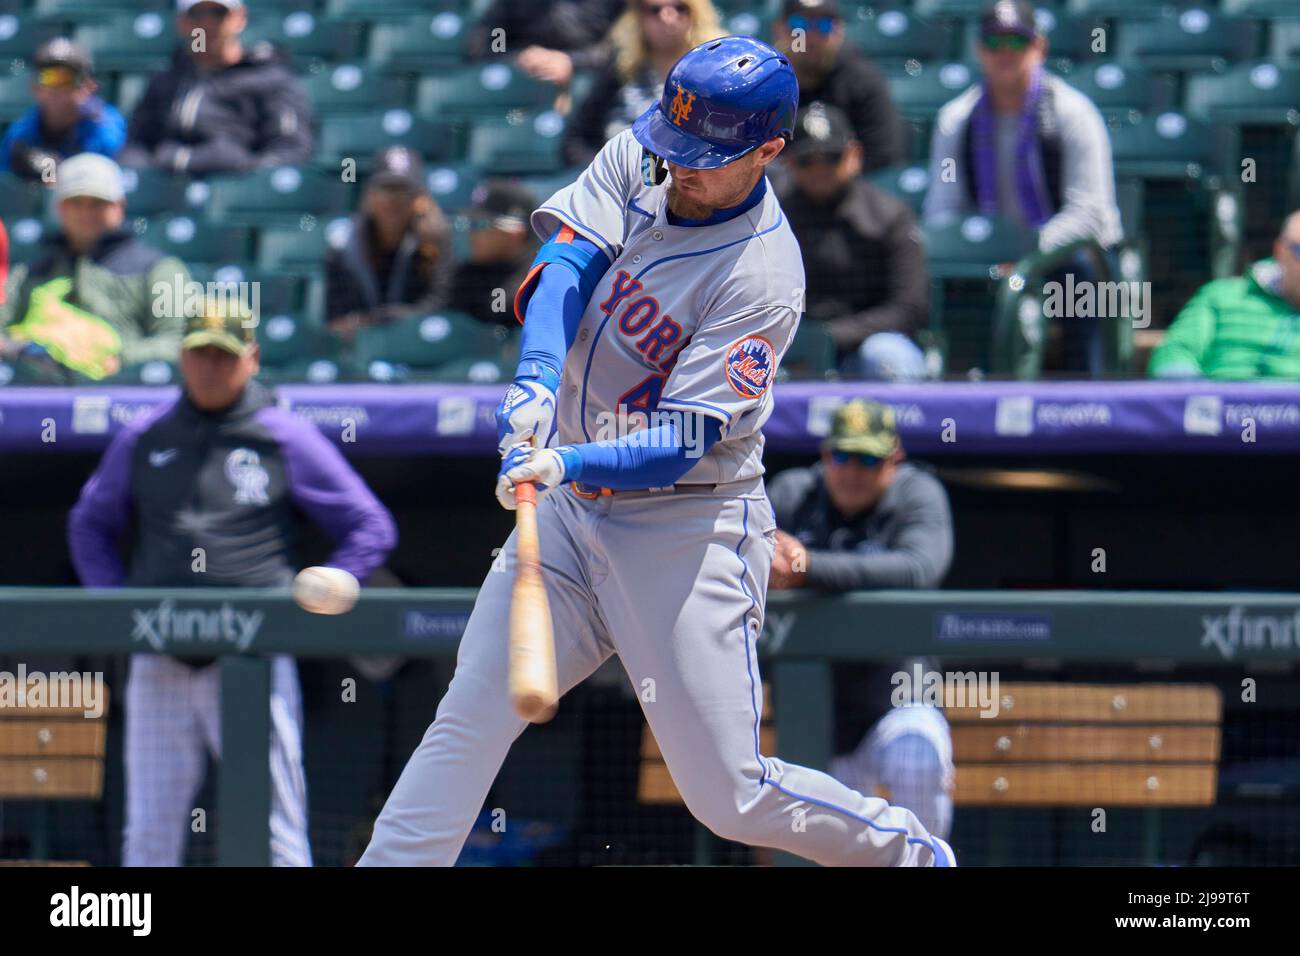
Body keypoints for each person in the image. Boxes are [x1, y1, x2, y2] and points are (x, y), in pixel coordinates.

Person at [359, 36, 955, 868]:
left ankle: (915, 858)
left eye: (706, 157)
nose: (680, 167)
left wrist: (565, 461)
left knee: (731, 797)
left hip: (687, 530)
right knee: (470, 715)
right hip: (569, 515)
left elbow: (681, 442)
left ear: (770, 152)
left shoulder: (763, 274)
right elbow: (566, 262)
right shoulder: (644, 151)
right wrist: (535, 381)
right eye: (675, 145)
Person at [67, 298, 398, 867]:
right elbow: (90, 523)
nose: (210, 368)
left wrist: (335, 580)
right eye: (199, 355)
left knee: (278, 831)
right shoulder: (147, 434)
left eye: (223, 357)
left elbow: (369, 524)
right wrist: (113, 604)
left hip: (253, 652)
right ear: (181, 357)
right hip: (160, 652)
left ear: (251, 359)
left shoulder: (282, 433)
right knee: (149, 834)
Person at [766, 400, 954, 838]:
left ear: (894, 460)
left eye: (869, 459)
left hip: (895, 702)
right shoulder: (794, 493)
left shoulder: (916, 493)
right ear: (825, 454)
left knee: (917, 754)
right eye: (843, 456)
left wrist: (808, 568)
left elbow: (918, 569)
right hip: (811, 716)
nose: (853, 471)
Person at [921, 0, 1123, 373]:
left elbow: (1090, 215)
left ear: (1039, 47)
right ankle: (963, 390)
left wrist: (1026, 256)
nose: (1004, 54)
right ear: (979, 49)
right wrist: (980, 250)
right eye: (994, 43)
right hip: (986, 256)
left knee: (1086, 271)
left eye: (1017, 43)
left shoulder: (1074, 113)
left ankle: (1092, 396)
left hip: (1059, 255)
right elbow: (943, 209)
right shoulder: (956, 119)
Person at [0, 153, 188, 381]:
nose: (86, 213)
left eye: (98, 203)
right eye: (76, 202)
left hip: (129, 395)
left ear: (120, 206)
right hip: (41, 397)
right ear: (59, 207)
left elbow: (178, 342)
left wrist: (119, 358)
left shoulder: (161, 269)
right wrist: (24, 350)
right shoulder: (31, 271)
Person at [779, 102, 929, 380]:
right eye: (806, 160)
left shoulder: (889, 216)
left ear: (854, 155)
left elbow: (910, 308)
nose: (819, 168)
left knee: (887, 356)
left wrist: (835, 335)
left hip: (865, 345)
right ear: (788, 163)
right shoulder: (775, 218)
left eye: (831, 157)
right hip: (794, 349)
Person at [119, 0, 313, 175]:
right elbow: (137, 143)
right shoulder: (165, 79)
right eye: (198, 15)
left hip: (236, 194)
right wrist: (143, 171)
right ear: (182, 23)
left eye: (219, 14)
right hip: (167, 192)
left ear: (239, 18)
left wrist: (245, 174)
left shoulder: (269, 78)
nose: (208, 25)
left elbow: (290, 147)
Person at [563, 0, 726, 167]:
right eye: (655, 10)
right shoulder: (621, 66)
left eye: (679, 8)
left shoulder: (718, 67)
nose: (667, 17)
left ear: (697, 12)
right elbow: (577, 139)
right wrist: (607, 172)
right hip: (625, 178)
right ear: (639, 17)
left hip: (695, 175)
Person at [1148, 211, 1300, 380]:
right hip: (1219, 401)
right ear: (1280, 251)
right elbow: (1174, 352)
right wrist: (1200, 396)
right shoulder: (1220, 297)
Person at [324, 147, 454, 340]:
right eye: (385, 188)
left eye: (403, 189)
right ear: (370, 195)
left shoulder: (436, 240)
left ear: (421, 198)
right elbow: (337, 318)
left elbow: (439, 304)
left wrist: (386, 319)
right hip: (360, 347)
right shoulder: (343, 246)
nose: (392, 200)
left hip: (419, 342)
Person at [771, 0, 902, 174]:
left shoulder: (863, 82)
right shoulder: (766, 83)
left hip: (846, 193)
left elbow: (882, 157)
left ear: (839, 31)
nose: (811, 36)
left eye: (824, 25)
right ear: (779, 30)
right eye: (799, 24)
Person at [0, 39, 126, 181]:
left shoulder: (105, 126)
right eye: (49, 77)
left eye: (67, 78)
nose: (57, 88)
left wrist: (57, 170)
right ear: (34, 87)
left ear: (88, 86)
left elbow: (110, 181)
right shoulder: (20, 133)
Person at [446, 180, 540, 327]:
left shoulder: (537, 280)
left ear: (516, 232)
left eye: (481, 225)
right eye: (470, 223)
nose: (472, 234)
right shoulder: (465, 273)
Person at [470, 0, 625, 87]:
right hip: (523, 82)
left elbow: (619, 46)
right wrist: (519, 58)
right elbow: (490, 37)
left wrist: (570, 61)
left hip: (587, 83)